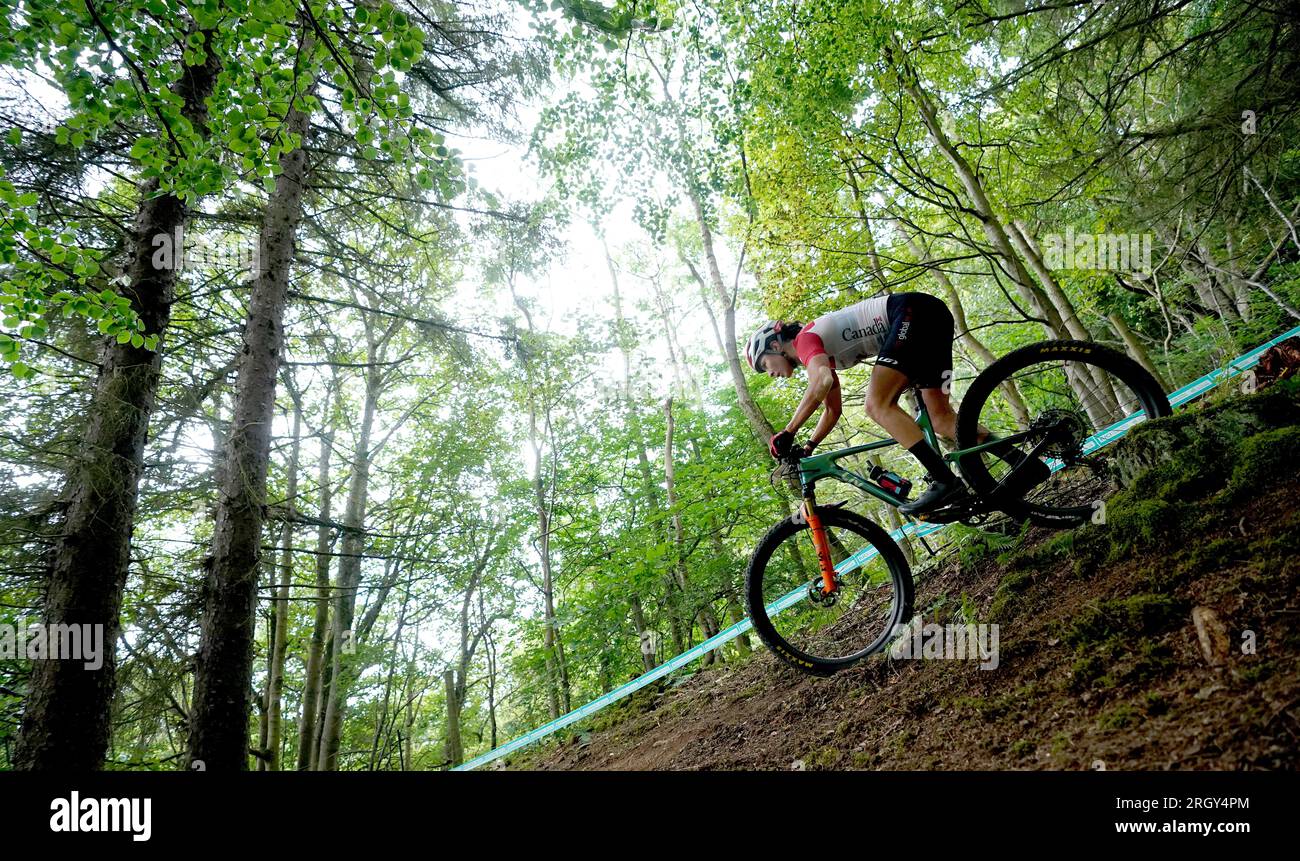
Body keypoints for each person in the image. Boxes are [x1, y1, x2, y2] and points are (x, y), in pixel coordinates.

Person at [745, 291, 1048, 514]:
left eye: (764, 365)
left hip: (913, 316)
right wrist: (809, 445)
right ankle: (1023, 464)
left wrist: (788, 430)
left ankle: (945, 482)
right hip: (929, 318)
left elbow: (821, 383)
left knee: (877, 405)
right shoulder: (820, 356)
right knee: (942, 420)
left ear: (774, 345)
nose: (769, 373)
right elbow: (832, 409)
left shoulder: (805, 340)